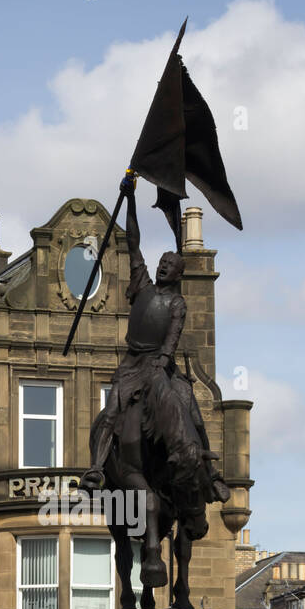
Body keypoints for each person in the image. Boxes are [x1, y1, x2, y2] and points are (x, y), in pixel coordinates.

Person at [79, 174, 230, 519]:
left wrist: (162, 365)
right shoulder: (143, 286)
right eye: (161, 263)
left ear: (179, 274)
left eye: (169, 265)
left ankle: (211, 474)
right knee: (112, 408)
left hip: (160, 365)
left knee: (190, 406)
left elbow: (172, 338)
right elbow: (134, 241)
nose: (162, 267)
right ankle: (96, 468)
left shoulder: (177, 304)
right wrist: (130, 200)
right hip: (133, 365)